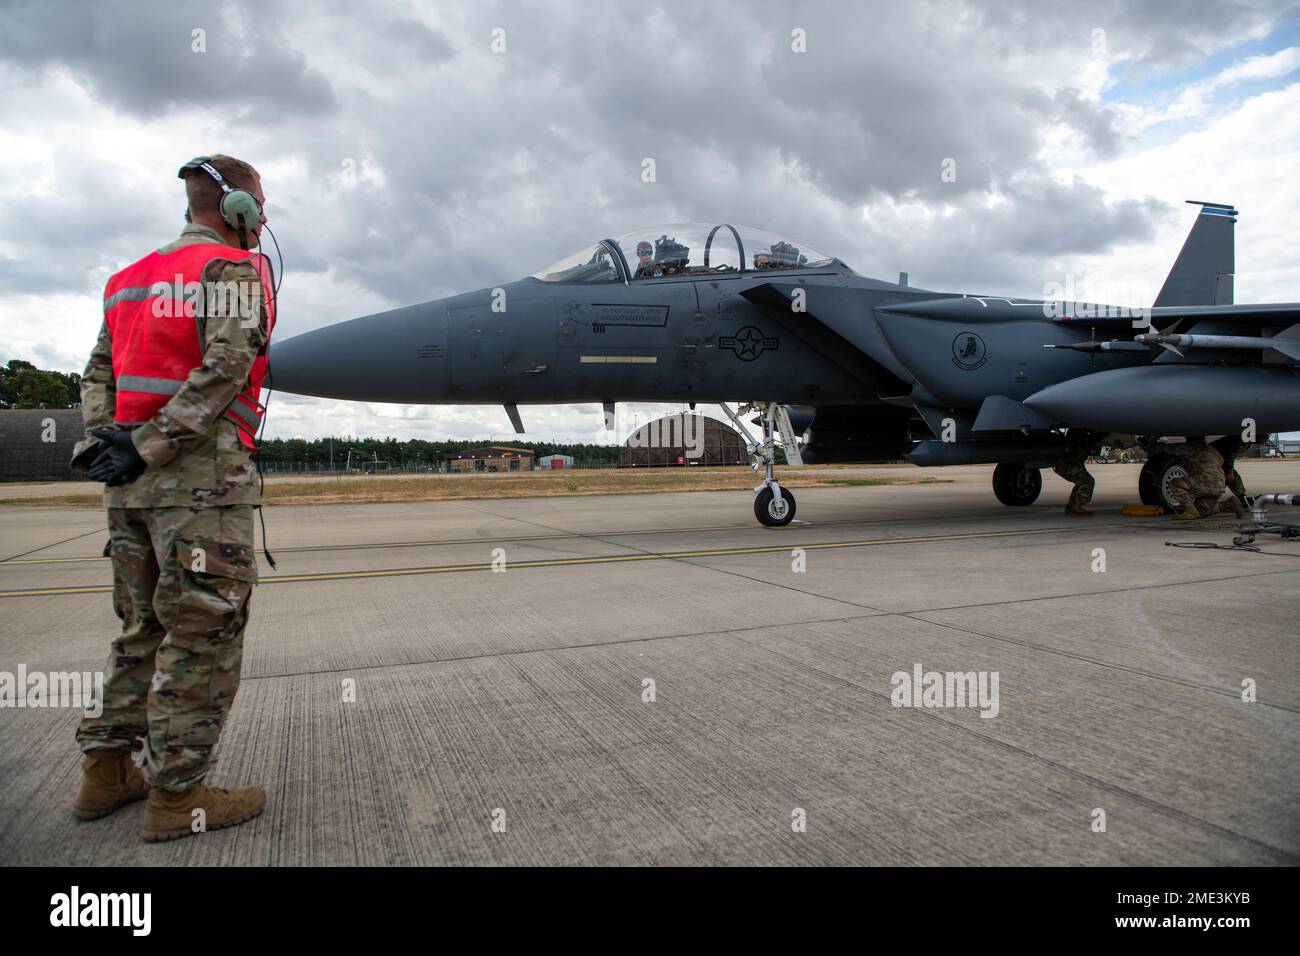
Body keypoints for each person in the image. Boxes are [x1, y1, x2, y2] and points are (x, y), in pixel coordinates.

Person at [70, 154, 275, 841]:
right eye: (261, 205)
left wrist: (111, 444)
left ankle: (105, 775)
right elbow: (225, 371)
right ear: (238, 210)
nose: (265, 220)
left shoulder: (126, 280)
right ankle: (175, 797)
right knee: (203, 637)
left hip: (128, 491)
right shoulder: (233, 272)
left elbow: (97, 372)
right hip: (199, 489)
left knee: (140, 633)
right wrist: (155, 443)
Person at [1166, 437, 1244, 519]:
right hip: (1220, 484)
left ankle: (1190, 512)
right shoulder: (1211, 449)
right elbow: (1221, 460)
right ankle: (1227, 504)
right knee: (1200, 511)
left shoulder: (1191, 447)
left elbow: (1171, 449)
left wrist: (1156, 445)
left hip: (1206, 483)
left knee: (1175, 483)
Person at [1052, 433, 1095, 516]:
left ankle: (1071, 506)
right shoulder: (1079, 440)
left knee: (1080, 482)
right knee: (1088, 481)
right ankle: (1077, 506)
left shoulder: (1074, 438)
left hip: (1063, 465)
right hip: (1068, 465)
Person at [1211, 435, 1250, 507]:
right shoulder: (1232, 443)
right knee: (1228, 476)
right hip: (1215, 460)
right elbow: (1229, 455)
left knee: (1231, 475)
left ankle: (1243, 498)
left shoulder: (1232, 441)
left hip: (1218, 460)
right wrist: (1228, 471)